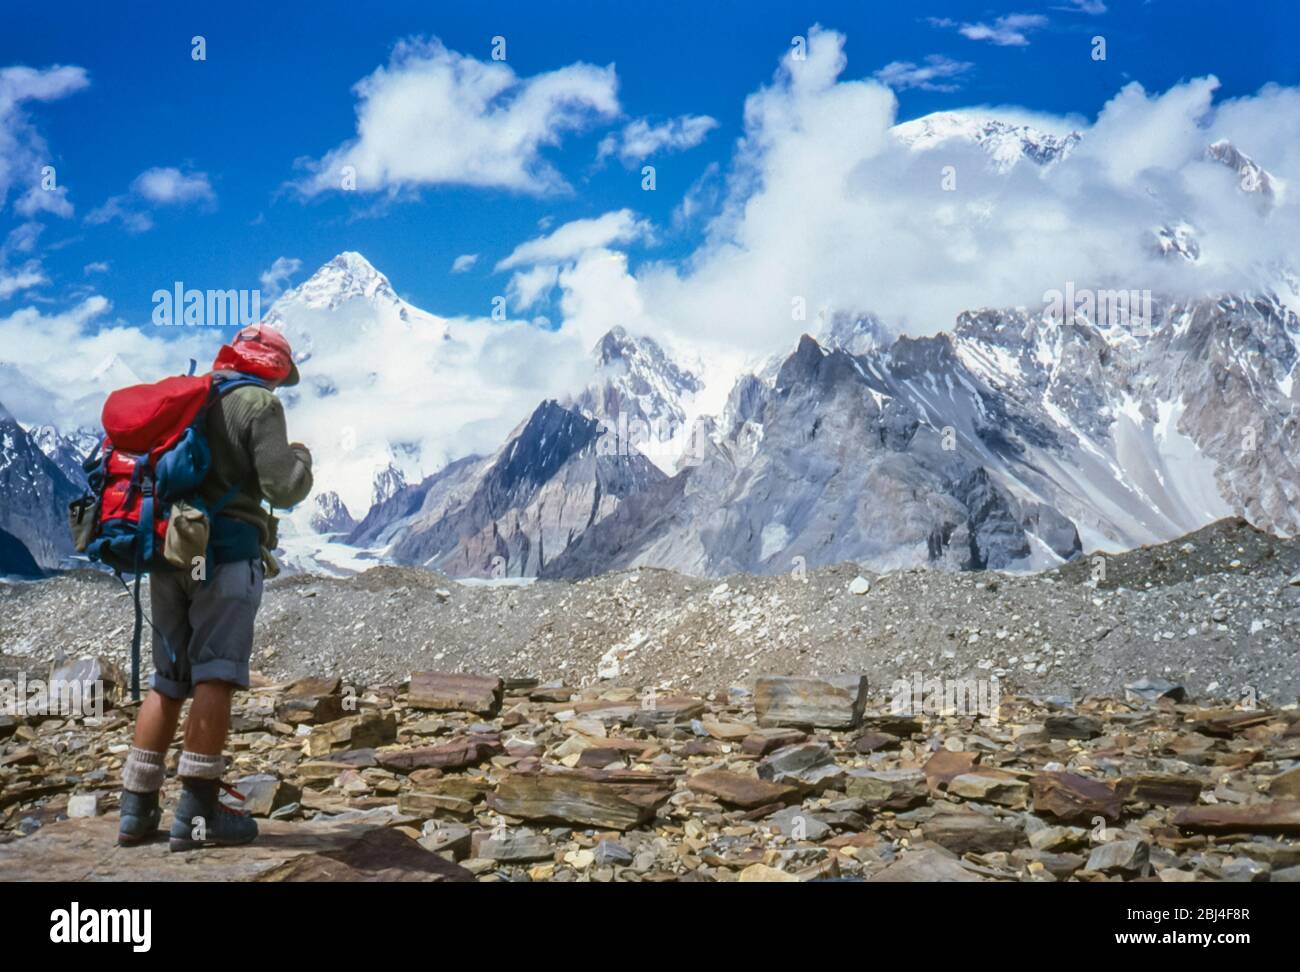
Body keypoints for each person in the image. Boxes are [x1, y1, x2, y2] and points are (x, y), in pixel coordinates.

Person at [117, 324, 312, 850]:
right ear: (273, 369)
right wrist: (303, 460)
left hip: (170, 553)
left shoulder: (194, 396)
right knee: (216, 675)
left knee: (168, 678)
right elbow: (282, 486)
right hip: (224, 555)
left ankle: (135, 811)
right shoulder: (258, 405)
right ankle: (198, 814)